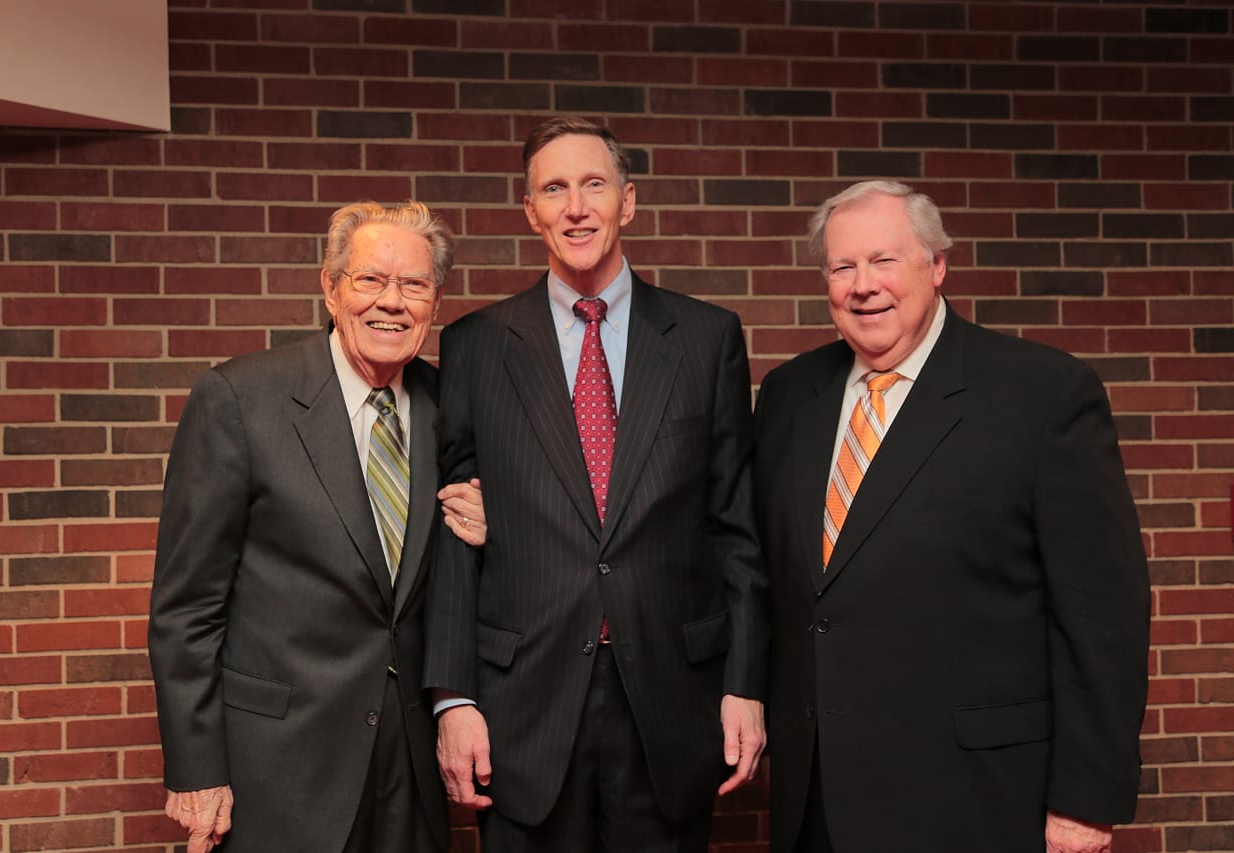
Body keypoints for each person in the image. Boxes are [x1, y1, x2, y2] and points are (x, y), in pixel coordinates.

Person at [753, 180, 1150, 853]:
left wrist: (1086, 799)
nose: (862, 284)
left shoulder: (1044, 395)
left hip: (977, 798)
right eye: (842, 266)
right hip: (817, 801)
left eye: (884, 260)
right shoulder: (791, 395)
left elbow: (1102, 614)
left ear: (936, 266)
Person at [423, 116, 769, 853]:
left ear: (628, 201)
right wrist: (454, 697)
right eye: (554, 188)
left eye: (593, 185)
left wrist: (745, 682)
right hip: (522, 709)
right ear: (531, 211)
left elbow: (733, 526)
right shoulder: (476, 347)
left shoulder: (707, 340)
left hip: (673, 699)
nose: (575, 206)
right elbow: (455, 533)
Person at [148, 200, 486, 853]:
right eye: (369, 279)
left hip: (411, 770)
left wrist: (494, 525)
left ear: (436, 304)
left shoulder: (453, 407)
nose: (391, 302)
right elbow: (186, 609)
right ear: (330, 288)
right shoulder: (241, 400)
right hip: (278, 769)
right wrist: (198, 770)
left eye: (414, 284)